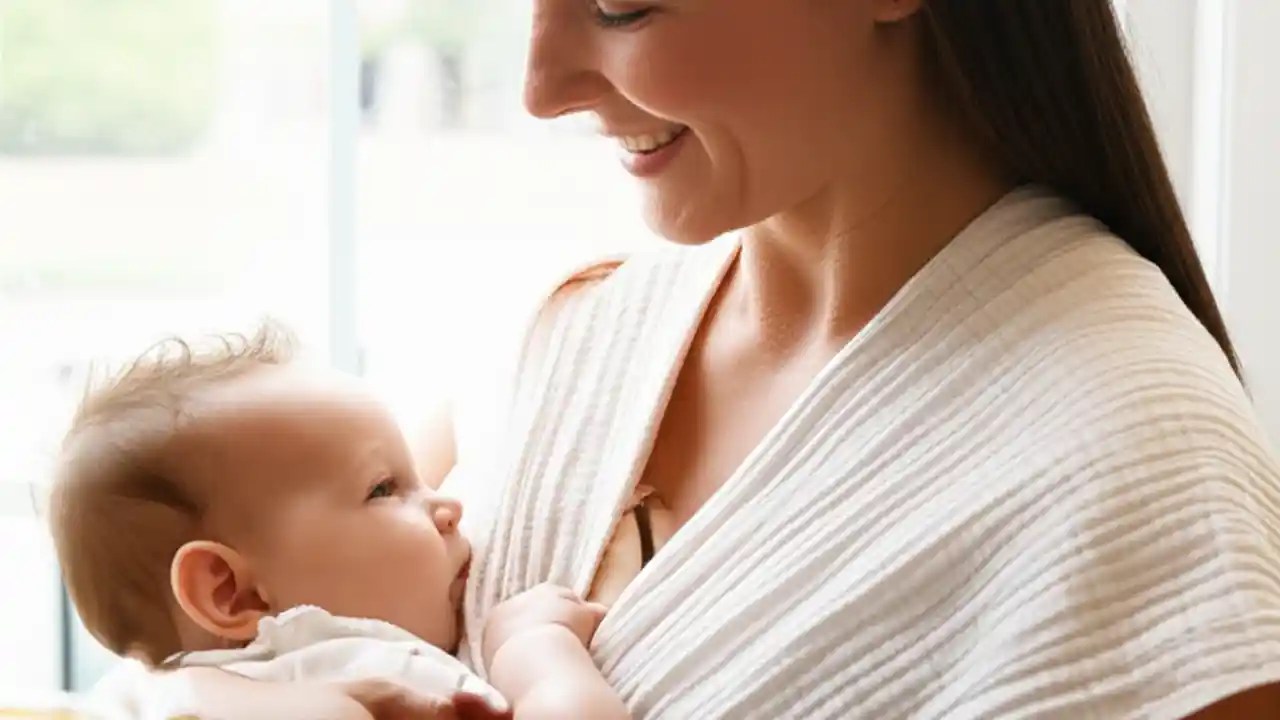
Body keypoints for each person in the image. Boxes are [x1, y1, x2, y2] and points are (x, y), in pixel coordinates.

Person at [163, 1, 1280, 717]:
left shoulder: (1142, 488)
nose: (541, 87)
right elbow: (232, 644)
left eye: (618, 3)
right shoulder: (566, 337)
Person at [49, 329, 628, 719]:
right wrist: (536, 653)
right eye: (383, 489)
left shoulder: (146, 698)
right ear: (232, 591)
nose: (447, 507)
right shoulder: (362, 678)